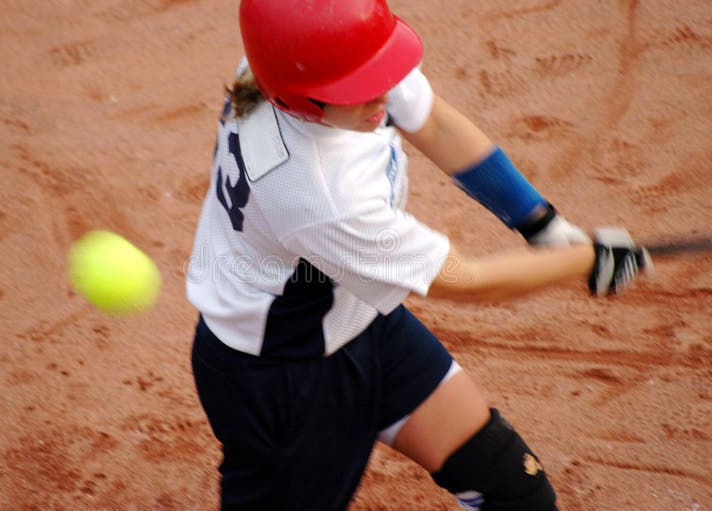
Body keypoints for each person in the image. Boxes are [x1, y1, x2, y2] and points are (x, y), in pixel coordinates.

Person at [185, 1, 652, 509]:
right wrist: (584, 260)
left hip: (362, 319)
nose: (383, 96)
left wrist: (539, 221)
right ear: (302, 100)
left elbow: (430, 122)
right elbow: (469, 280)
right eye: (362, 91)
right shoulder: (317, 193)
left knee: (514, 493)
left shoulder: (305, 59)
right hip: (281, 378)